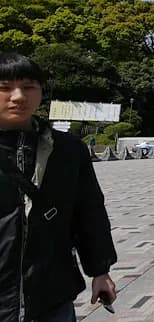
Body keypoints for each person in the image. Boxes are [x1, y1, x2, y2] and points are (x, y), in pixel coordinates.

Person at [0, 53, 118, 321]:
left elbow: (89, 211)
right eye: (5, 88)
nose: (18, 97)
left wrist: (100, 270)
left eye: (29, 87)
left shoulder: (68, 149)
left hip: (51, 295)